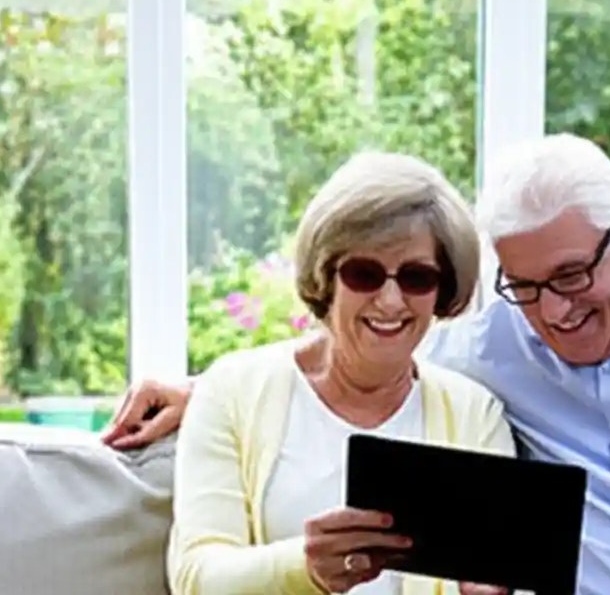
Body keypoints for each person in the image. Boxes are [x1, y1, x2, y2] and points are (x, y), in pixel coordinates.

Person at [104, 134, 610, 594]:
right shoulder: (501, 339)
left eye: (574, 275)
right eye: (527, 287)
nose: (555, 313)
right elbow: (370, 344)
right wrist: (206, 392)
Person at [158, 151, 517, 595]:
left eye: (416, 277)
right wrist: (303, 567)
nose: (390, 301)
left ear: (442, 289)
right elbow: (195, 577)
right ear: (326, 278)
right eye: (364, 274)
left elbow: (500, 573)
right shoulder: (231, 391)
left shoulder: (474, 414)